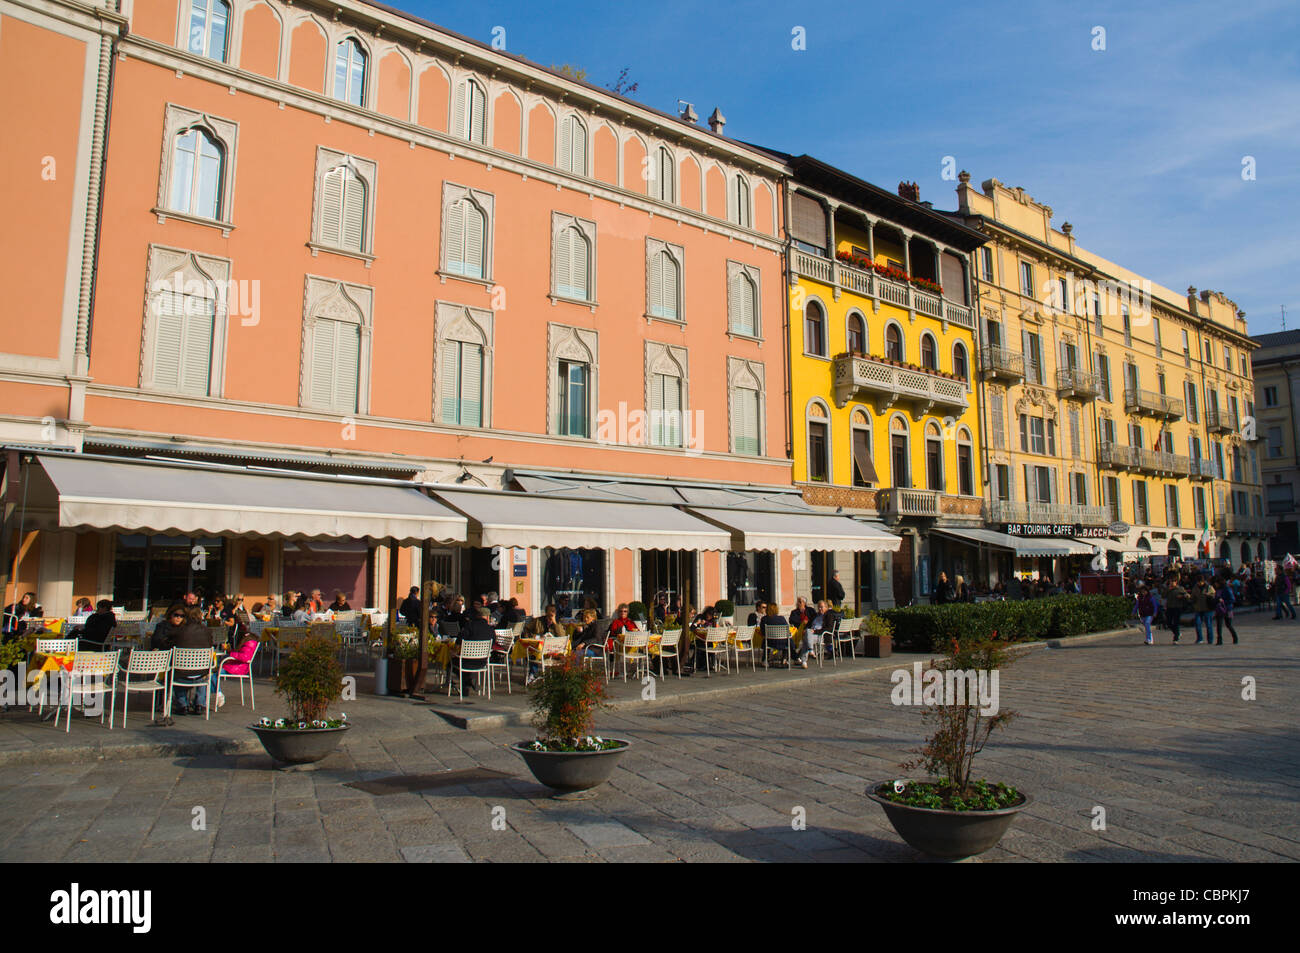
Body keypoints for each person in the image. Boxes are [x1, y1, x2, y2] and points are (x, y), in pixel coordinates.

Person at [152, 604, 213, 714]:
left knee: (175, 672)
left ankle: (182, 704)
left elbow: (167, 644)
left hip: (182, 673)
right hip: (201, 673)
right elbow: (210, 646)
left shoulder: (180, 631)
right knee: (205, 675)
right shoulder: (207, 631)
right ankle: (200, 704)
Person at [209, 628, 260, 711]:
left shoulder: (249, 643)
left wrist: (231, 653)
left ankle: (217, 694)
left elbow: (244, 657)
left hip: (237, 668)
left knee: (212, 674)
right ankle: (215, 694)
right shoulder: (250, 642)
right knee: (212, 673)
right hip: (238, 666)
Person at [452, 606, 495, 693]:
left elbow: (459, 640)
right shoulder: (491, 630)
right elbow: (493, 644)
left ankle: (467, 682)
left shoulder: (470, 625)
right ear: (487, 617)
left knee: (451, 662)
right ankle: (467, 682)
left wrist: (454, 652)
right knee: (462, 661)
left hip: (466, 661)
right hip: (482, 661)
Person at [799, 600, 840, 668]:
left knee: (807, 638)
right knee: (808, 633)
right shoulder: (816, 615)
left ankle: (805, 660)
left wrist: (815, 631)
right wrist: (805, 630)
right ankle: (810, 650)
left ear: (826, 607)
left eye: (821, 607)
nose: (820, 609)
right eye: (819, 607)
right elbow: (809, 624)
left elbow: (829, 629)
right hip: (811, 634)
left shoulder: (829, 615)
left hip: (821, 636)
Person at [1163, 576, 1188, 645]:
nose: (1171, 583)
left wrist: (1182, 596)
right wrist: (1168, 589)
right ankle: (1177, 632)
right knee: (1168, 622)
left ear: (1176, 582)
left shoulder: (1180, 589)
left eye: (1172, 582)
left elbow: (1187, 595)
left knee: (1176, 622)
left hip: (1177, 607)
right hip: (1169, 607)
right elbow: (1163, 595)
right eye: (1170, 582)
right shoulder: (1168, 589)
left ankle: (1176, 638)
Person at [1214, 577, 1239, 645]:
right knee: (1219, 625)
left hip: (1227, 609)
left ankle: (1235, 637)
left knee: (1228, 624)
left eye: (1216, 583)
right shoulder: (1218, 590)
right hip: (1219, 609)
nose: (1215, 584)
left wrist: (1223, 601)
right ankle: (1219, 640)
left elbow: (1232, 599)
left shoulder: (1227, 589)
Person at [1190, 577, 1215, 644]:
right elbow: (1192, 597)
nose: (1199, 583)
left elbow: (1214, 595)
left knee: (1208, 625)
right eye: (1198, 582)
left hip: (1208, 609)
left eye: (1201, 582)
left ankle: (1210, 639)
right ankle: (1199, 639)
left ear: (1203, 581)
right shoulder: (1195, 588)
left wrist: (1208, 595)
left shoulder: (1209, 587)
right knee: (1198, 624)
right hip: (1198, 608)